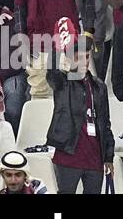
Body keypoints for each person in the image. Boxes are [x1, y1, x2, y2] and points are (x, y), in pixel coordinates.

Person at [46, 42, 113, 194]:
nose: (84, 61)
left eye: (87, 56)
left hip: (95, 155)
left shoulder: (99, 86)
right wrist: (56, 46)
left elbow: (105, 122)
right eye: (78, 57)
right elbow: (52, 72)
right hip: (69, 154)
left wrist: (109, 156)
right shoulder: (63, 82)